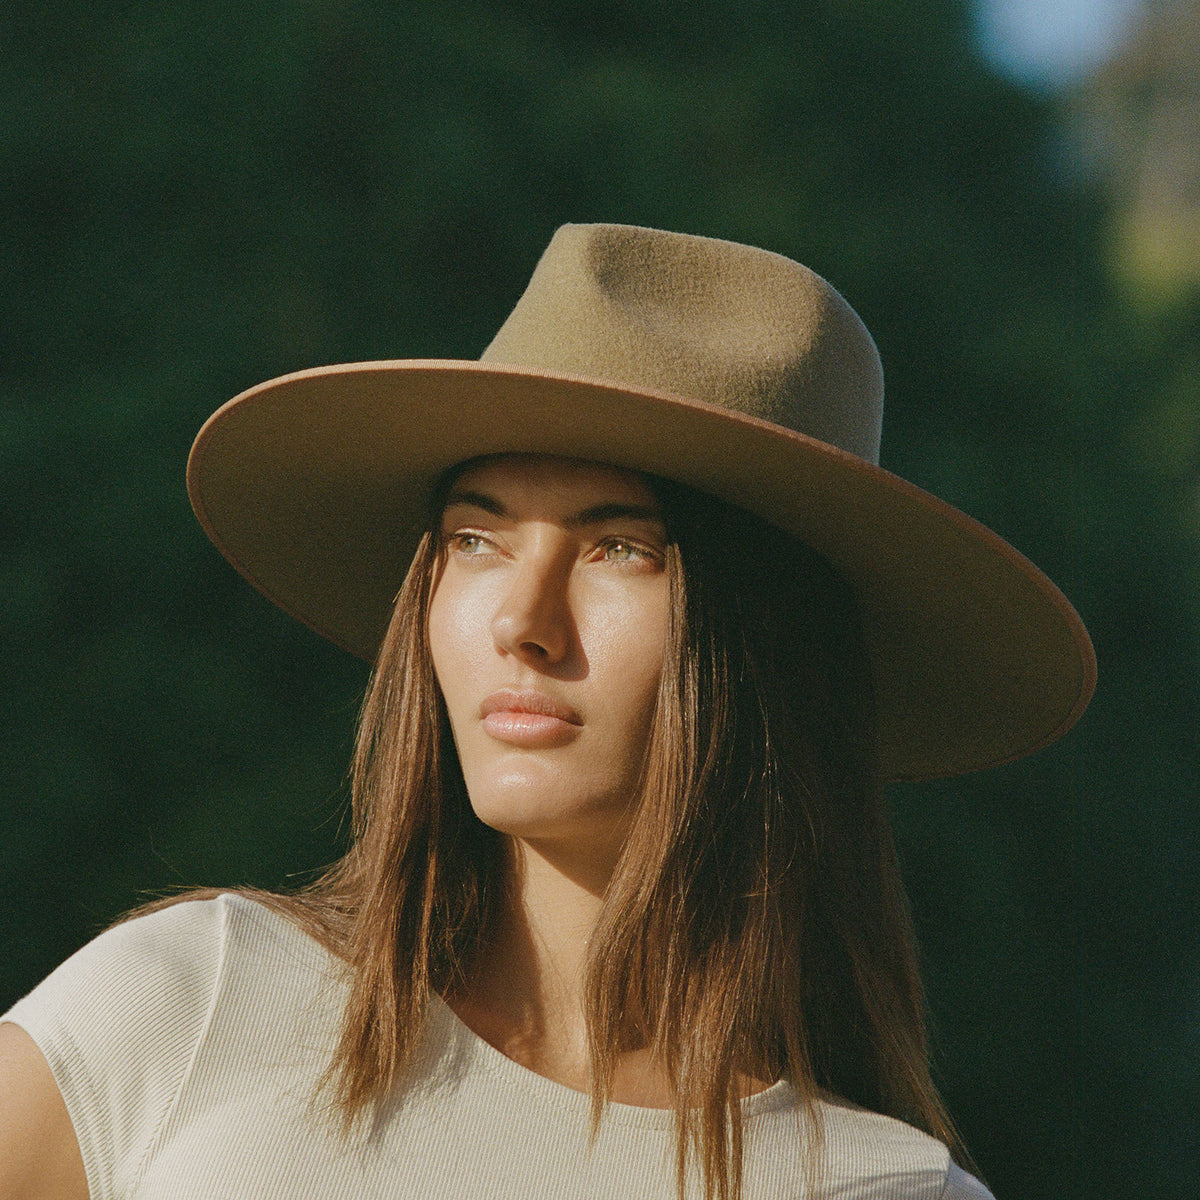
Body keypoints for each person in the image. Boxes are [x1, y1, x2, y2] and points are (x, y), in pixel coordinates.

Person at [0, 223, 1094, 1200]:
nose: (521, 620)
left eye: (621, 550)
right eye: (477, 540)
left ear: (774, 651)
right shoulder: (194, 1002)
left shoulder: (891, 1190)